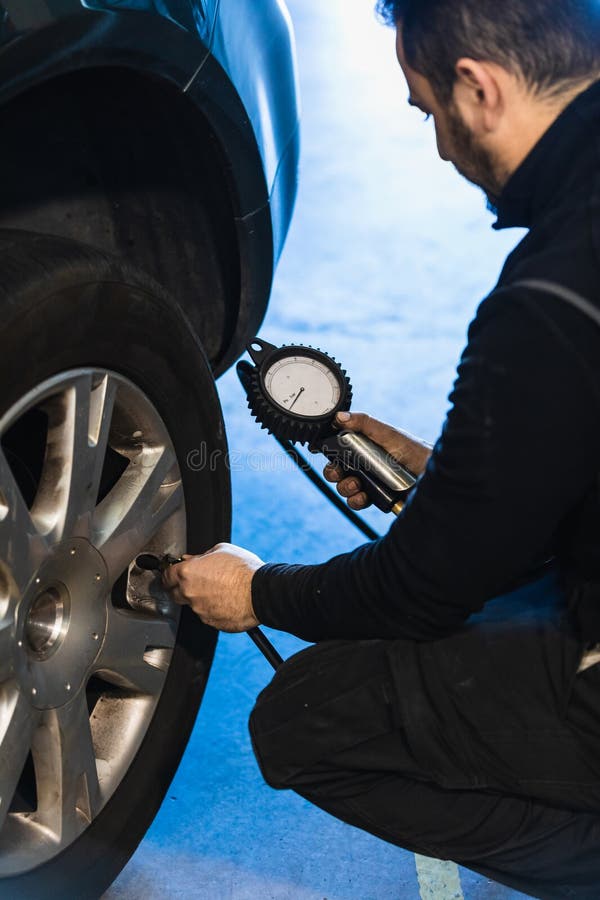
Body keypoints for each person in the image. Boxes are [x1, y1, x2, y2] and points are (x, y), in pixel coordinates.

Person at [162, 1, 600, 896]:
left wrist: (259, 591)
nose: (439, 144)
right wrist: (463, 472)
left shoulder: (550, 300)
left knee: (308, 721)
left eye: (428, 110)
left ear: (479, 89)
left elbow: (421, 589)